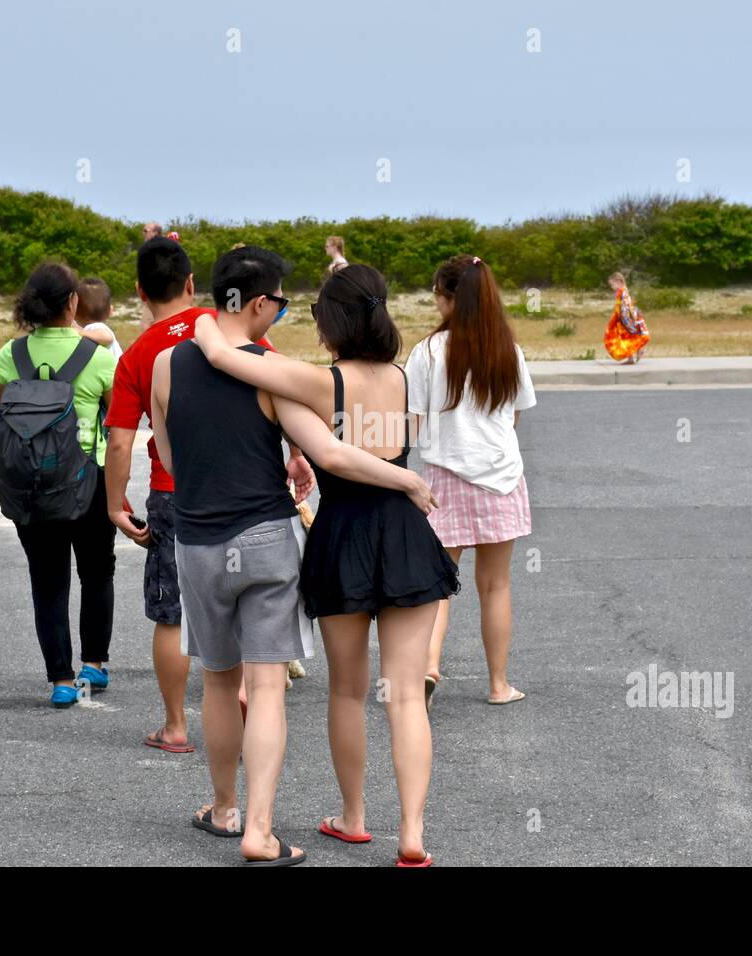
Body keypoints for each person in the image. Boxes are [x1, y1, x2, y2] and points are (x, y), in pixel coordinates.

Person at [150, 245, 436, 866]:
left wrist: (198, 326)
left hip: (226, 540)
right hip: (334, 539)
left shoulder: (173, 365)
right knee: (382, 693)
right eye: (279, 305)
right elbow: (334, 447)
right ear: (259, 302)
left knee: (247, 685)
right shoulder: (330, 376)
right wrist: (405, 479)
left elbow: (173, 458)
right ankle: (386, 832)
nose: (282, 316)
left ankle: (247, 811)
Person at [103, 238, 313, 754]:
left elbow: (121, 439)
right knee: (248, 602)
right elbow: (278, 399)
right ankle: (248, 686)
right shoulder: (243, 336)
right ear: (193, 285)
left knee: (171, 612)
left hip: (178, 497)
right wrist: (296, 452)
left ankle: (176, 725)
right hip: (250, 496)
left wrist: (114, 505)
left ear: (139, 291)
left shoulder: (139, 356)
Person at [0, 262, 117, 707]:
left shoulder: (12, 354)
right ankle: (93, 664)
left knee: (48, 581)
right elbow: (119, 416)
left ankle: (60, 678)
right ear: (73, 302)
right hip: (88, 483)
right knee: (96, 573)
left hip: (31, 486)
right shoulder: (96, 357)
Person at [406, 254, 536, 710]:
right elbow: (514, 415)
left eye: (438, 296)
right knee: (495, 586)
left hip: (444, 479)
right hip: (501, 477)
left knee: (438, 584)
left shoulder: (426, 352)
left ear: (447, 299)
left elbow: (413, 420)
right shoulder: (508, 350)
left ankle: (426, 667)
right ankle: (499, 684)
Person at [601, 271, 649, 364]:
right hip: (626, 317)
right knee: (627, 337)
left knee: (629, 336)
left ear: (618, 281)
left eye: (612, 284)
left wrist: (622, 318)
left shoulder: (622, 291)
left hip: (626, 318)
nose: (612, 287)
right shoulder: (624, 290)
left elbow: (624, 306)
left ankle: (640, 349)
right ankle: (632, 356)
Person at [75, 277, 123, 359]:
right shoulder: (93, 331)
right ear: (110, 311)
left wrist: (78, 332)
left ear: (74, 313)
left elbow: (107, 337)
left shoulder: (96, 327)